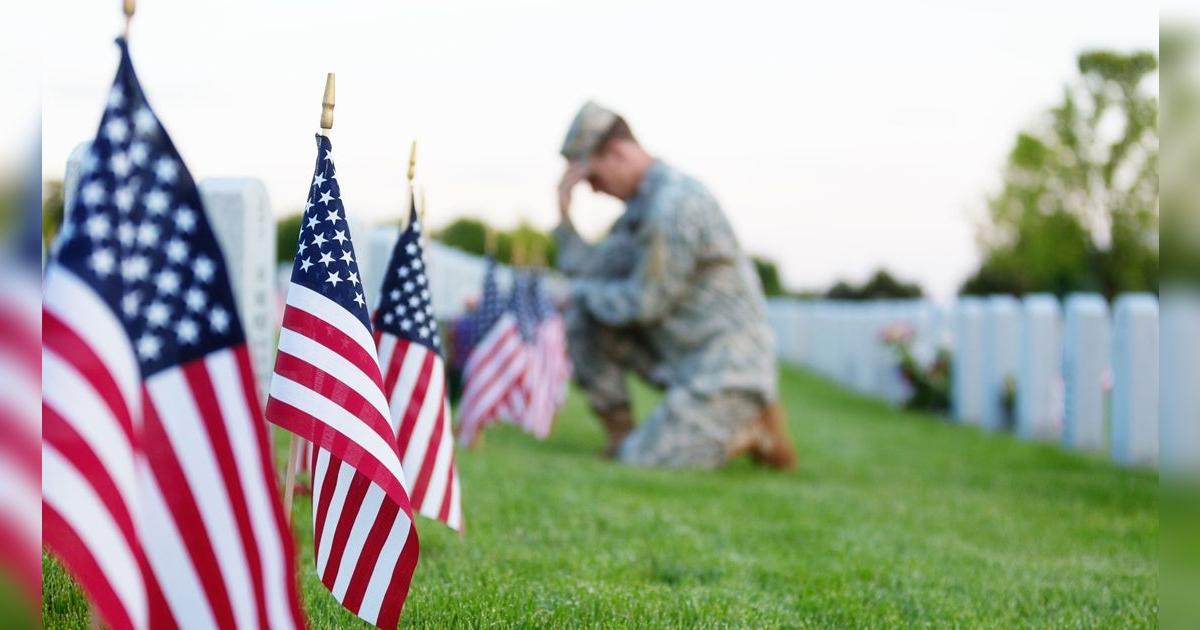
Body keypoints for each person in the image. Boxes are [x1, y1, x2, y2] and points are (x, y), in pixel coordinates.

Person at [553, 101, 797, 469]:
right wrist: (564, 216)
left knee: (644, 460)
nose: (596, 191)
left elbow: (644, 303)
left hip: (725, 368)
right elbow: (589, 274)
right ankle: (622, 435)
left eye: (594, 179)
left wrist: (576, 294)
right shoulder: (640, 208)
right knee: (583, 316)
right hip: (681, 355)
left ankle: (750, 426)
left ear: (618, 153)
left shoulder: (672, 206)